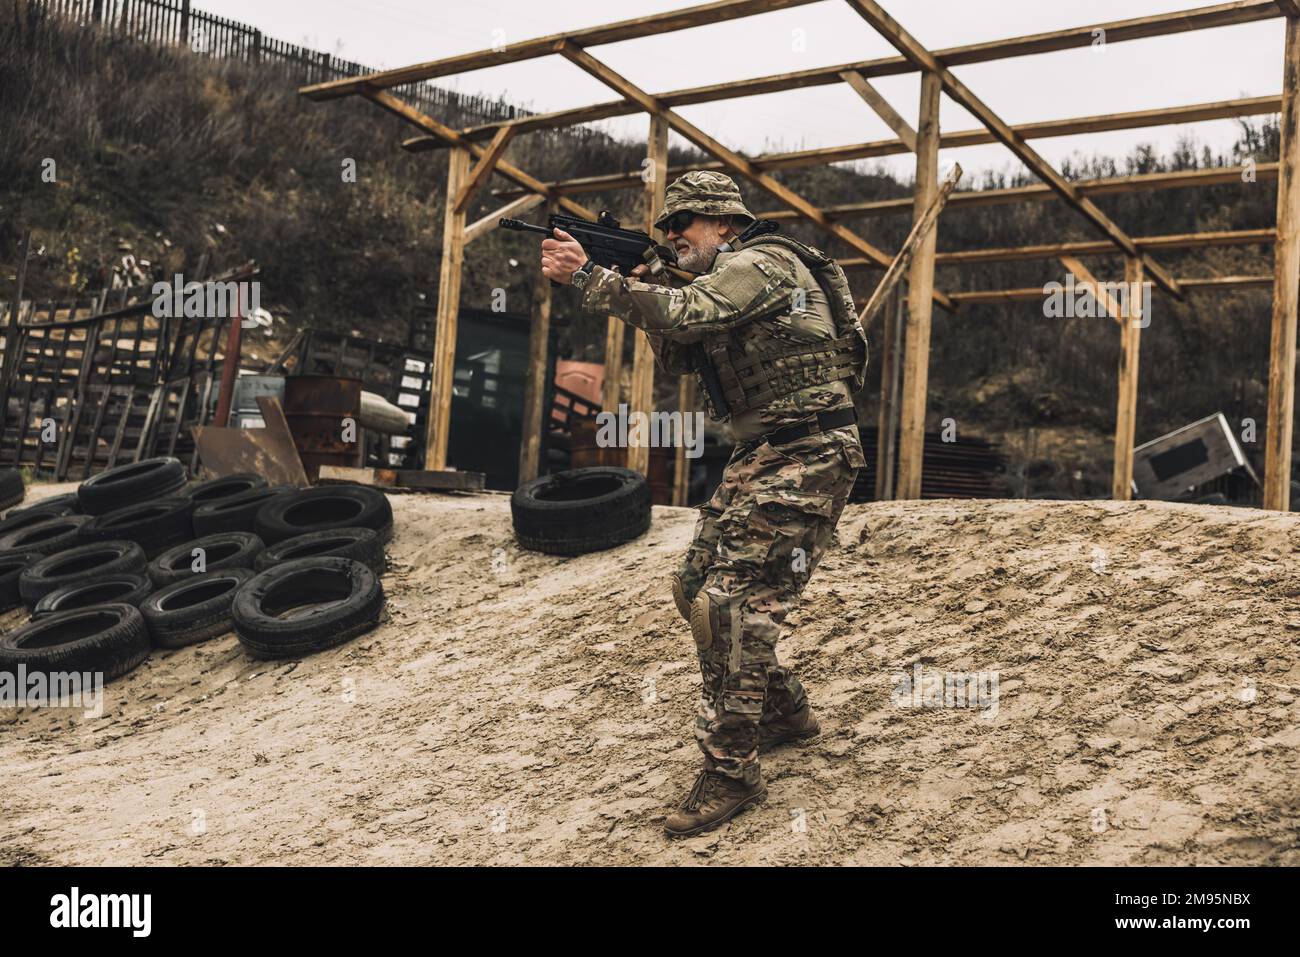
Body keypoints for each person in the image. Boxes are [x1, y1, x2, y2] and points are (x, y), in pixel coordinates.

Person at [540, 171, 866, 837]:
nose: (672, 235)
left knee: (731, 602)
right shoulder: (714, 282)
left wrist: (591, 278)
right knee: (692, 585)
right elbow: (679, 350)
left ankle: (732, 767)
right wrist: (641, 278)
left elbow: (689, 314)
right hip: (763, 453)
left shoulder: (761, 263)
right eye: (665, 227)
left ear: (725, 224)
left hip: (811, 450)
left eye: (683, 222)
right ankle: (779, 708)